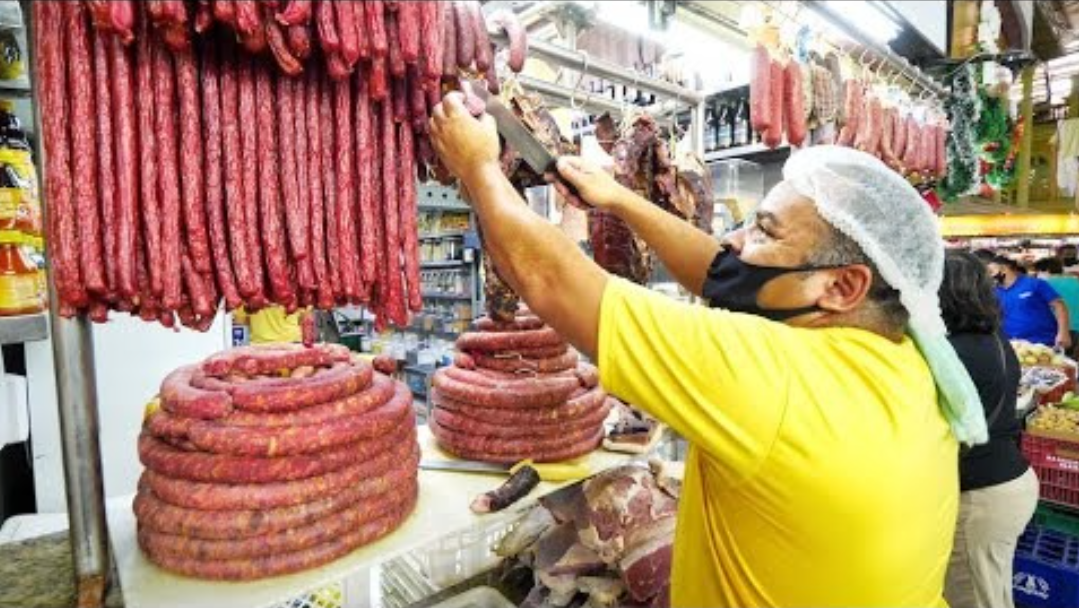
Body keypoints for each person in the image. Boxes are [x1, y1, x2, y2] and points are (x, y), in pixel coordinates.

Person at [429, 94, 986, 607]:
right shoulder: (904, 354)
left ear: (842, 287)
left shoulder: (780, 376)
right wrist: (617, 199)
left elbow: (551, 279)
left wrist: (477, 167)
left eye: (764, 231)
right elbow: (730, 273)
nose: (736, 242)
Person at [940, 251, 1038, 608]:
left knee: (973, 597)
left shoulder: (952, 353)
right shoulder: (993, 338)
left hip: (981, 497)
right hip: (1008, 480)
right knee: (991, 592)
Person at [989, 255, 1072, 349]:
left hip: (1044, 342)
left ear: (1004, 268)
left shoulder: (1035, 284)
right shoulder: (994, 291)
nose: (989, 276)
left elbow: (1059, 306)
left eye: (991, 272)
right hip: (1013, 345)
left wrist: (1063, 332)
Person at [1035, 257, 1079, 352]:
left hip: (1060, 331)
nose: (1037, 275)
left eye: (1038, 272)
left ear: (1046, 270)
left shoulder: (1044, 285)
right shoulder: (1075, 281)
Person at [232, 305, 309, 344]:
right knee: (304, 369)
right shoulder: (295, 289)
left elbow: (240, 324)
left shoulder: (248, 292)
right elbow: (305, 320)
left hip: (259, 345)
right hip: (292, 342)